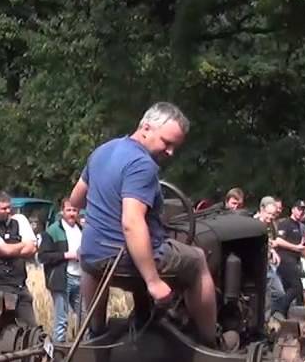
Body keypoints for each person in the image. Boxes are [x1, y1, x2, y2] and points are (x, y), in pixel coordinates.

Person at [70, 101, 218, 346]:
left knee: (91, 260)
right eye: (166, 143)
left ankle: (96, 332)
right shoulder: (142, 165)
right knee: (198, 260)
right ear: (145, 128)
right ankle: (209, 343)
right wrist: (153, 282)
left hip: (93, 257)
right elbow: (131, 222)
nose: (170, 152)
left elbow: (76, 199)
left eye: (174, 146)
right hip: (125, 260)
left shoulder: (102, 151)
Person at [0, 191, 39, 327]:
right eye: (3, 208)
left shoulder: (18, 222)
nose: (8, 211)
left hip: (20, 285)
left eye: (9, 207)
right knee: (4, 329)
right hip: (0, 288)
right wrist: (23, 244)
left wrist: (13, 248)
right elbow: (5, 251)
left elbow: (32, 249)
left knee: (31, 328)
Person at [39, 197, 84, 342]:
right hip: (62, 278)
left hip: (80, 277)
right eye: (68, 210)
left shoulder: (82, 230)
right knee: (62, 320)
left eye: (74, 210)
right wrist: (66, 255)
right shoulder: (52, 231)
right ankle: (58, 357)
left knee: (85, 317)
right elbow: (43, 257)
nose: (72, 213)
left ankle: (83, 350)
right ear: (62, 211)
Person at [272, 199, 305, 315]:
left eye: (303, 210)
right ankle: (278, 310)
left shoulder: (300, 227)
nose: (301, 212)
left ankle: (284, 314)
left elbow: (301, 247)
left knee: (290, 290)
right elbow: (279, 240)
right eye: (299, 209)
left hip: (295, 261)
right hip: (284, 259)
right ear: (293, 210)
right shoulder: (285, 223)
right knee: (297, 287)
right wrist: (295, 247)